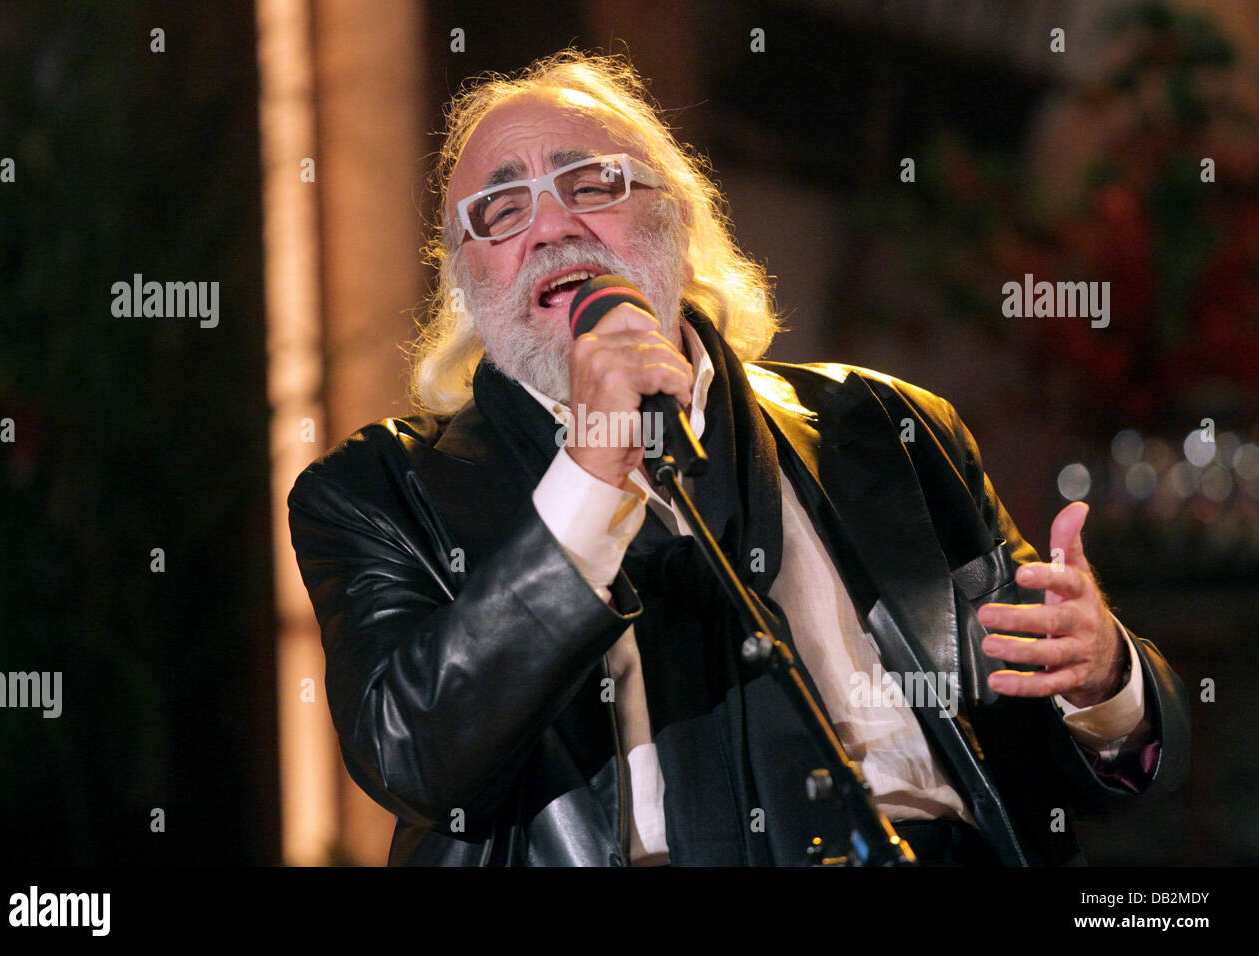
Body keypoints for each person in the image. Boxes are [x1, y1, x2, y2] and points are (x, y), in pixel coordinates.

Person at [287, 51, 1189, 867]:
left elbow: (1052, 754)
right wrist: (593, 474)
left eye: (591, 182)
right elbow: (413, 756)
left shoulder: (884, 425)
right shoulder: (380, 494)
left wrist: (1102, 679)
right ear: (467, 281)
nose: (552, 224)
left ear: (674, 219)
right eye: (501, 208)